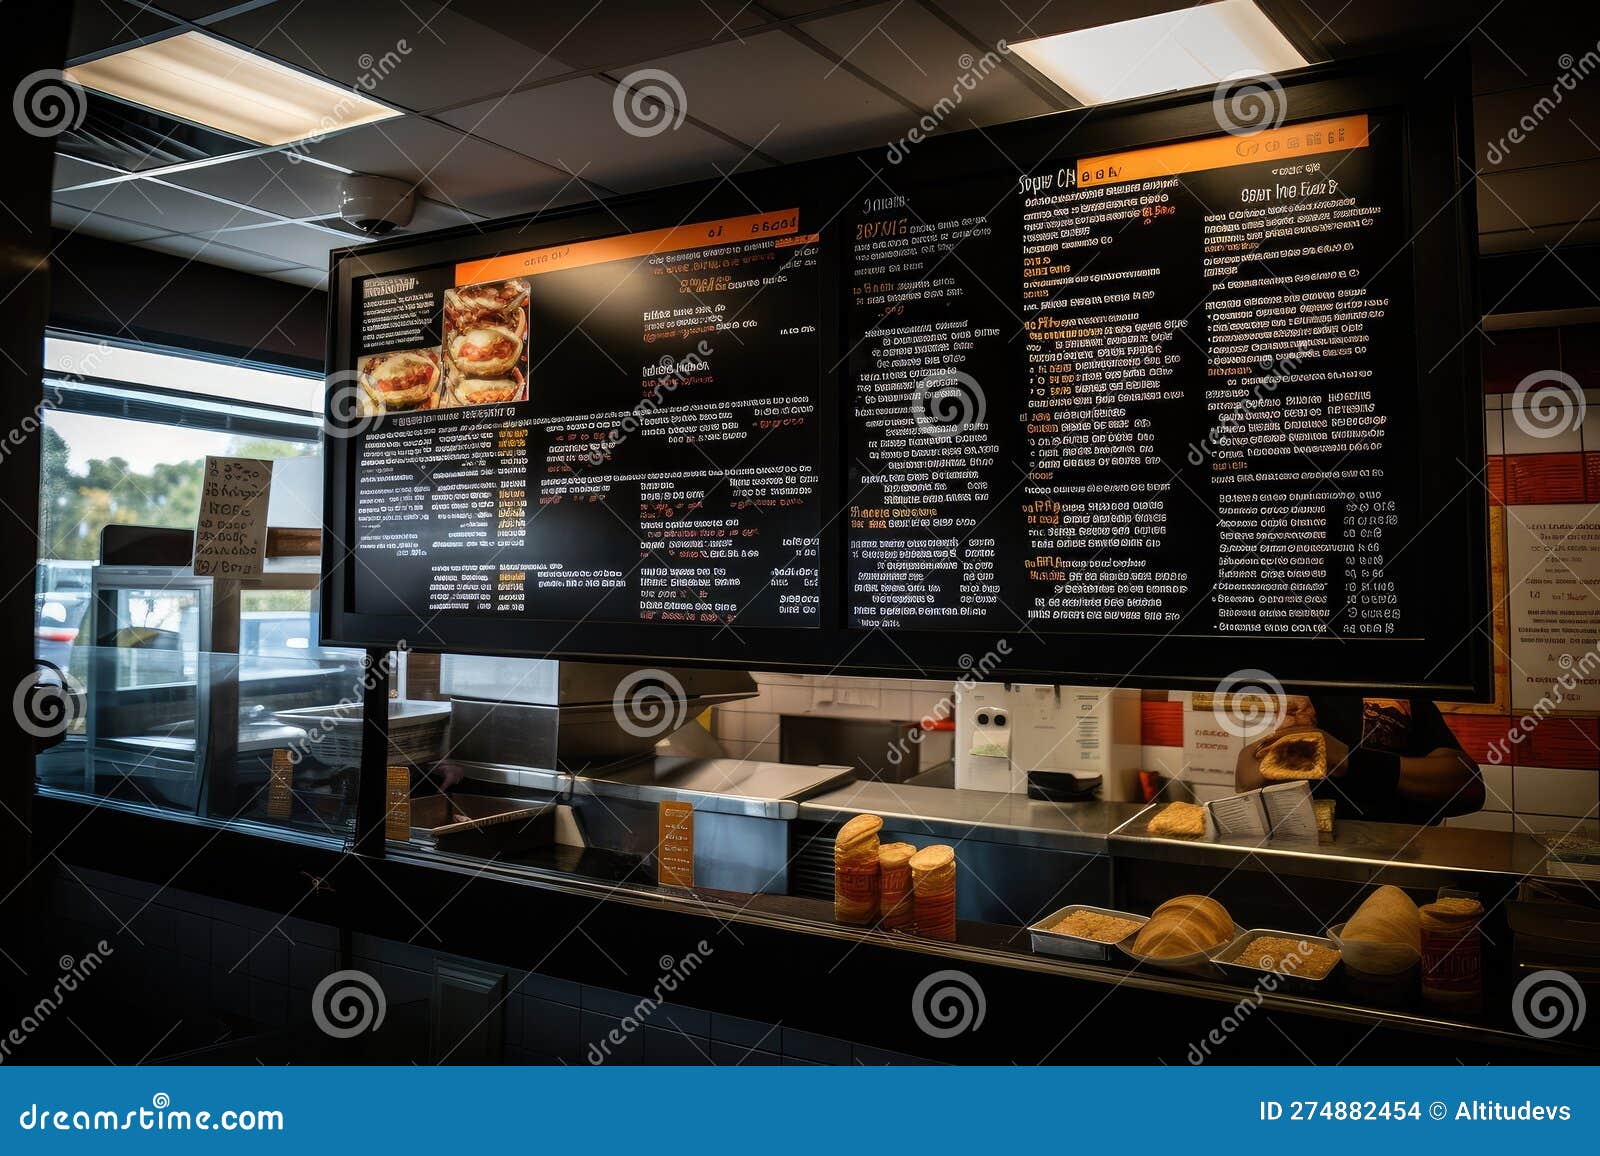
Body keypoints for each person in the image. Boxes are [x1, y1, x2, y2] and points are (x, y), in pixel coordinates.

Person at [1234, 696, 1484, 824]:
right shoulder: (1291, 692)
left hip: (1397, 867)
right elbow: (1246, 780)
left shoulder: (1389, 691)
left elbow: (1468, 787)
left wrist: (1348, 760)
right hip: (1300, 867)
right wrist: (1263, 761)